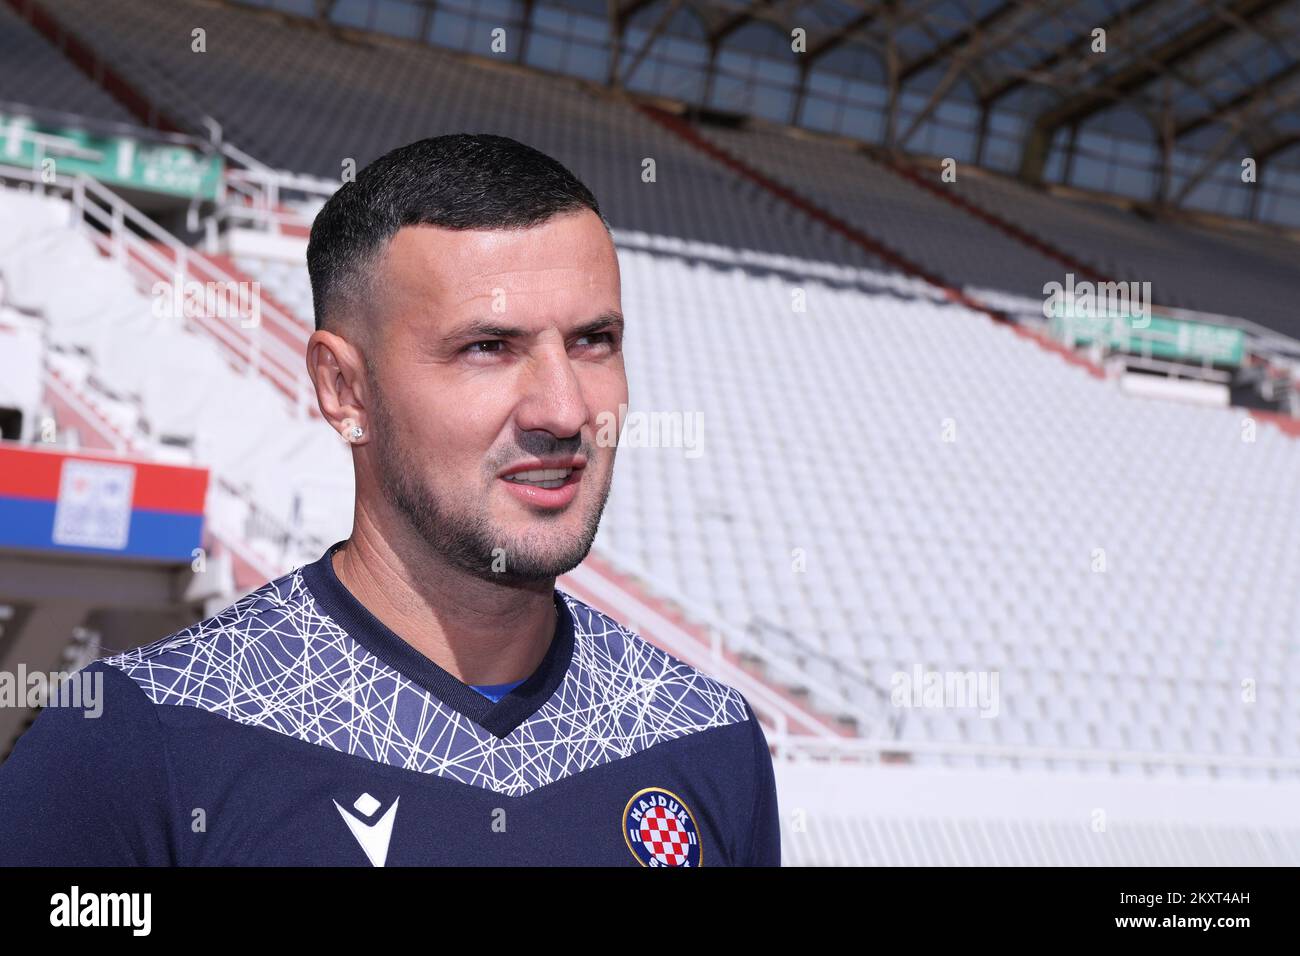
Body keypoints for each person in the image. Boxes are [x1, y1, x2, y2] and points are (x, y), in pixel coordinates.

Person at [0, 133, 780, 866]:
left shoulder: (702, 735)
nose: (566, 410)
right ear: (345, 389)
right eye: (488, 348)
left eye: (593, 341)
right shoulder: (143, 736)